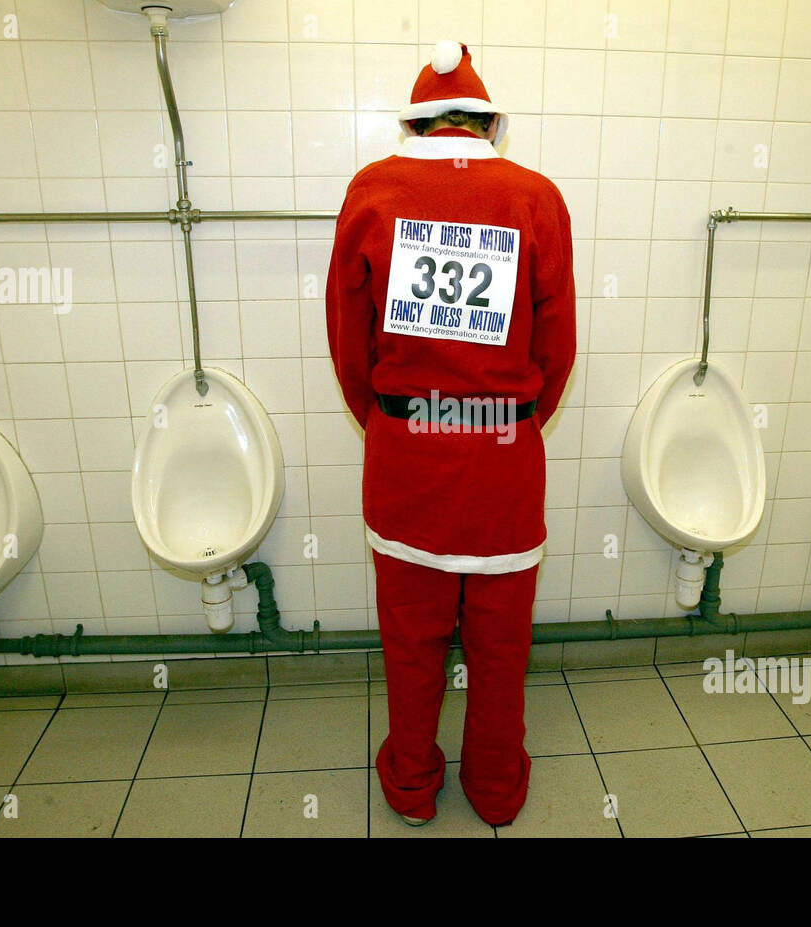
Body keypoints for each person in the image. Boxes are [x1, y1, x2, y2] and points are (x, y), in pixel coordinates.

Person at [325, 40, 576, 827]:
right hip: (503, 464)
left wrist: (392, 423)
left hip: (407, 463)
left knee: (411, 642)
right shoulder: (537, 197)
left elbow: (345, 337)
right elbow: (557, 347)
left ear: (419, 123)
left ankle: (409, 785)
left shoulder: (371, 191)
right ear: (488, 125)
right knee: (501, 649)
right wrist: (509, 420)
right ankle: (497, 787)